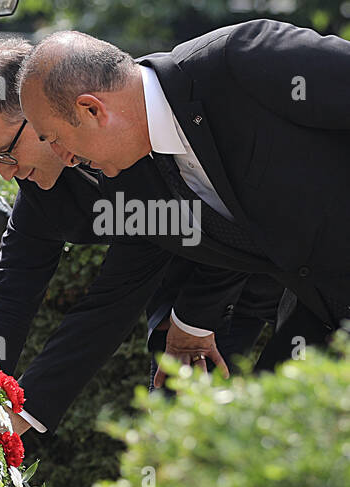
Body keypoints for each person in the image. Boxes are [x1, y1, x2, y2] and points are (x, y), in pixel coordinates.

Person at [0, 39, 282, 433]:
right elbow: (11, 291)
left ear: (39, 111)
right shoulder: (40, 180)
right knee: (181, 429)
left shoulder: (132, 145)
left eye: (6, 153)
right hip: (178, 291)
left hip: (266, 271)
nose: (5, 174)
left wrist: (22, 415)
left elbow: (111, 303)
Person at [17, 21, 350, 370]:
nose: (64, 158)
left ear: (91, 109)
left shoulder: (239, 58)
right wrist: (192, 322)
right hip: (320, 321)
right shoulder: (128, 185)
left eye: (54, 138)